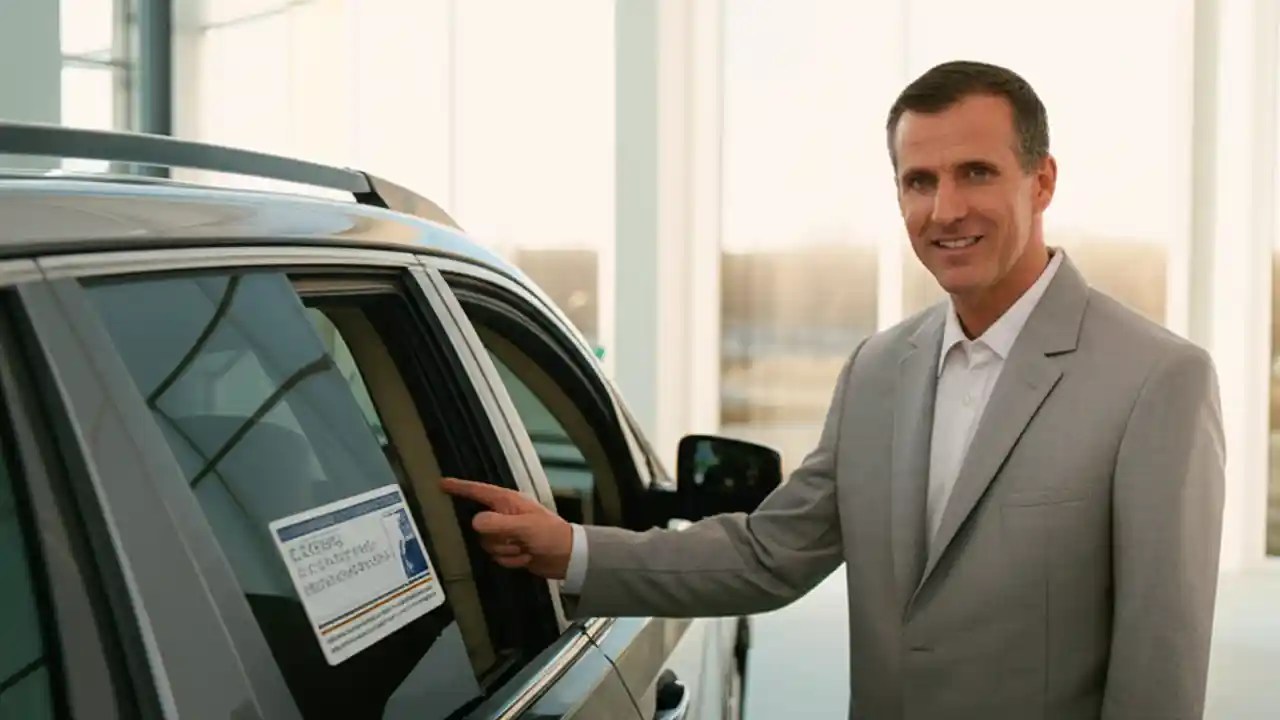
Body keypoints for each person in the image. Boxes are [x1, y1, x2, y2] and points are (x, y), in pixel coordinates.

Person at [441, 60, 1226, 719]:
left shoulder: (1157, 380)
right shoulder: (879, 371)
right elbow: (772, 553)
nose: (944, 210)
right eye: (919, 181)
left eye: (975, 173)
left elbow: (1160, 667)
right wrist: (568, 548)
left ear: (1042, 180)